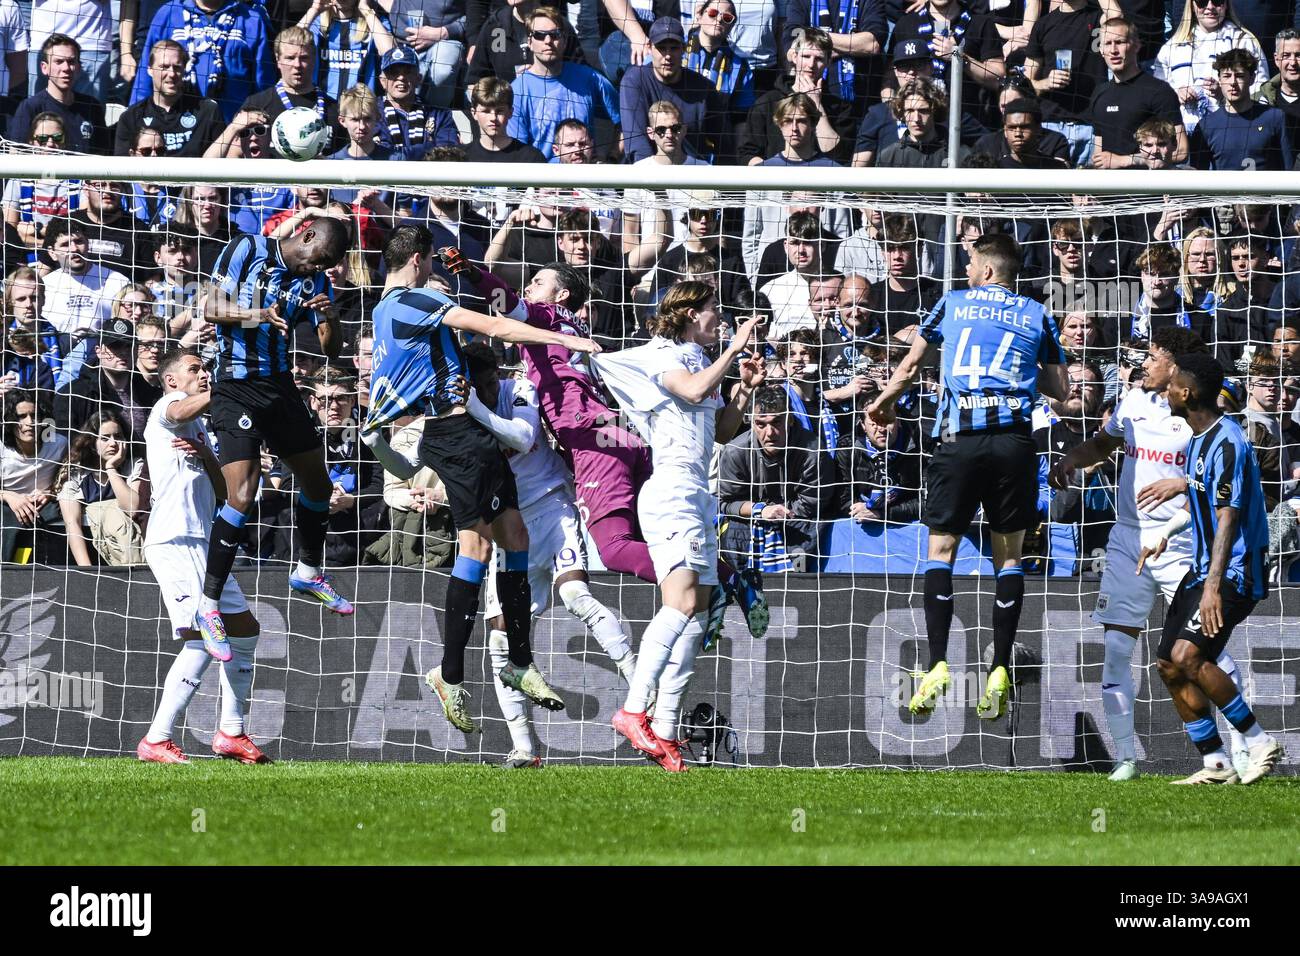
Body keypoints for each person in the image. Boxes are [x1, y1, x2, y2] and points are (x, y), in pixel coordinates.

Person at [443, 247, 770, 642]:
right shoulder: (575, 331)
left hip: (592, 442)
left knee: (614, 550)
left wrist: (475, 273)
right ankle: (722, 582)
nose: (528, 288)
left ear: (560, 296)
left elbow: (506, 303)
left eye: (537, 282)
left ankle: (715, 583)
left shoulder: (545, 318)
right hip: (622, 437)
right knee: (655, 541)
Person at [359, 224, 601, 732]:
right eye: (437, 273)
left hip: (464, 435)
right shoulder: (408, 301)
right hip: (454, 436)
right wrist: (561, 336)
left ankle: (518, 661)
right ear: (420, 262)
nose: (443, 283)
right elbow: (498, 329)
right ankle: (451, 673)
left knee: (513, 537)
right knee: (477, 549)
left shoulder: (393, 313)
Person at [867, 233, 1069, 721]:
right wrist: (1019, 371)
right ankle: (999, 666)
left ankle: (937, 664)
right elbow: (1061, 388)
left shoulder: (951, 304)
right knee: (1010, 556)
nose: (967, 270)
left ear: (987, 269)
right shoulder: (1035, 313)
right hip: (1015, 445)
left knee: (941, 550)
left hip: (959, 441)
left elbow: (912, 364)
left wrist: (881, 404)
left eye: (972, 263)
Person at [598, 282, 765, 772]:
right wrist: (733, 353)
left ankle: (666, 729)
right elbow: (689, 390)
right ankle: (632, 711)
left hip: (698, 495)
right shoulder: (664, 354)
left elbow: (721, 431)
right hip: (670, 492)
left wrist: (744, 392)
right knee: (683, 603)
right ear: (692, 313)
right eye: (717, 310)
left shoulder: (698, 362)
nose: (723, 320)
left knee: (702, 609)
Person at [462, 342, 637, 768]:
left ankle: (642, 691)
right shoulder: (453, 407)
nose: (487, 392)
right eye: (477, 387)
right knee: (499, 639)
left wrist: (474, 405)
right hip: (508, 524)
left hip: (552, 505)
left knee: (577, 598)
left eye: (489, 383)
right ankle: (524, 749)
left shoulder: (518, 389)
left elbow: (522, 438)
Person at [195, 217, 355, 660]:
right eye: (318, 258)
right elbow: (209, 307)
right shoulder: (247, 248)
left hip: (280, 386)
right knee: (243, 494)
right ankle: (208, 608)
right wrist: (255, 315)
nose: (316, 269)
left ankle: (307, 570)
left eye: (326, 266)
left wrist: (328, 316)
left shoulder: (316, 280)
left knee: (318, 484)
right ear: (305, 236)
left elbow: (331, 350)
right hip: (234, 385)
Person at [1137, 350, 1284, 784]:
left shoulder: (1229, 441)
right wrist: (1168, 533)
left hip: (1236, 570)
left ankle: (1259, 741)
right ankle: (1216, 763)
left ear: (1187, 392)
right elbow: (1201, 499)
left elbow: (1228, 517)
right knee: (1167, 663)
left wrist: (1213, 587)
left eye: (1171, 385)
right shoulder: (1199, 440)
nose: (1165, 390)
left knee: (1189, 655)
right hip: (1203, 567)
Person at [136, 347, 268, 764]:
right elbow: (177, 413)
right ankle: (156, 740)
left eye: (206, 369)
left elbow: (222, 491)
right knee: (200, 639)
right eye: (195, 369)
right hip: (173, 540)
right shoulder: (166, 409)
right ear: (172, 380)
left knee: (245, 631)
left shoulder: (198, 429)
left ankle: (231, 732)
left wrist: (209, 454)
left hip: (204, 542)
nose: (204, 374)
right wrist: (229, 387)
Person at [132, 0, 275, 122]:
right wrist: (136, 121)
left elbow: (263, 84)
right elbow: (145, 77)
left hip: (232, 130)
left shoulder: (250, 19)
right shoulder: (168, 14)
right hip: (175, 129)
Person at [509, 7, 620, 157]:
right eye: (539, 35)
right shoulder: (517, 90)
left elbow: (626, 119)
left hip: (584, 175)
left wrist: (613, 157)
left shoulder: (589, 78)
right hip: (540, 177)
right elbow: (518, 154)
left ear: (565, 40)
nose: (548, 41)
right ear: (529, 42)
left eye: (555, 35)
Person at [620, 16, 729, 163]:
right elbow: (637, 145)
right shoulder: (634, 81)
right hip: (647, 175)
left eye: (674, 48)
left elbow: (724, 144)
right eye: (661, 48)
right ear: (650, 48)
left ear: (684, 49)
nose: (668, 56)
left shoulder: (703, 87)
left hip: (692, 174)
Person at [1153, 0, 1268, 134]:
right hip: (1183, 135)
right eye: (1202, 2)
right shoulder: (1171, 47)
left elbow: (1261, 94)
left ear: (1226, 5)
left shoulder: (1244, 41)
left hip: (1234, 130)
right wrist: (1176, 94)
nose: (1210, 7)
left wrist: (1225, 94)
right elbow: (1157, 95)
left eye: (1217, 1)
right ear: (1192, 5)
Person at [1089, 17, 1189, 168]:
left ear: (1136, 45)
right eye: (1108, 44)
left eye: (1120, 42)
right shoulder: (1099, 93)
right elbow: (1099, 156)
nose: (1113, 50)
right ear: (1101, 50)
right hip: (1109, 190)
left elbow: (1181, 151)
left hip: (1147, 188)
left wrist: (1124, 160)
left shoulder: (1159, 91)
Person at [56, 408, 147, 567]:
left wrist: (111, 468)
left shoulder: (133, 464)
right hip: (93, 550)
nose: (113, 443)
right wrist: (87, 570)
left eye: (118, 436)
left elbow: (132, 508)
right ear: (92, 443)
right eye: (105, 438)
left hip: (133, 549)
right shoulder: (74, 471)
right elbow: (72, 524)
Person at [238, 27, 343, 156]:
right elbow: (234, 155)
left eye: (304, 58)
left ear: (314, 59)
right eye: (290, 58)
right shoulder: (256, 104)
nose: (297, 65)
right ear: (278, 60)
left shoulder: (334, 109)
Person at [113, 40, 224, 157]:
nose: (171, 74)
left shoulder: (208, 111)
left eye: (177, 67)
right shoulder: (131, 117)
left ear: (184, 69)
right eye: (164, 67)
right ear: (150, 69)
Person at [1188, 47, 1292, 170]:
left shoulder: (1275, 118)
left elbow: (1290, 169)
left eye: (1239, 75)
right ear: (1220, 80)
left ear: (1252, 78)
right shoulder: (1206, 126)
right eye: (1227, 76)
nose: (1233, 82)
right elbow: (1197, 180)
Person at [8, 34, 106, 153]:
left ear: (79, 67)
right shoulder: (30, 108)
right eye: (59, 61)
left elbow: (103, 155)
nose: (66, 68)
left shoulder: (92, 106)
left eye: (71, 61)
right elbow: (16, 156)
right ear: (44, 68)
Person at [0, 387, 66, 562]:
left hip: (44, 508)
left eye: (35, 415)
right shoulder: (2, 449)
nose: (30, 422)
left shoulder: (59, 445)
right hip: (7, 508)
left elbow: (70, 478)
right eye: (21, 416)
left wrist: (51, 492)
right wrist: (8, 496)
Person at [297, 0, 395, 101]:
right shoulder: (318, 23)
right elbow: (289, 47)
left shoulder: (375, 22)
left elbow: (392, 55)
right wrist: (314, 10)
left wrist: (366, 10)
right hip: (324, 105)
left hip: (362, 108)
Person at [374, 45, 459, 159]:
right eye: (394, 72)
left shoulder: (440, 115)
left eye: (407, 72)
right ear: (382, 81)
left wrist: (400, 154)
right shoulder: (370, 113)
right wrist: (429, 146)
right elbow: (378, 154)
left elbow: (449, 153)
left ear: (418, 78)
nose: (401, 77)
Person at [466, 76, 547, 164]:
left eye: (500, 111)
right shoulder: (462, 157)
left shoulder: (532, 158)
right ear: (474, 113)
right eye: (486, 111)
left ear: (510, 112)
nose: (493, 118)